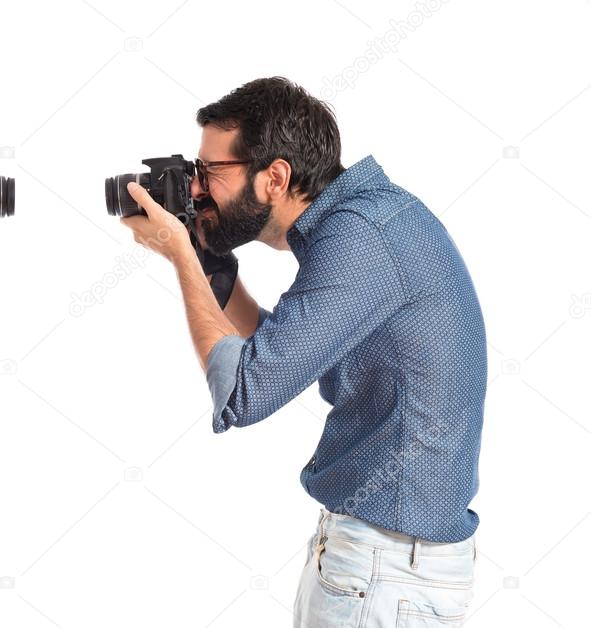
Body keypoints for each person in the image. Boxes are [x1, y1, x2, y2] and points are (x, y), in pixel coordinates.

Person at [119, 76, 485, 626]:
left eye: (209, 173)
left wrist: (180, 256)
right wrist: (210, 263)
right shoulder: (366, 220)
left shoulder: (359, 239)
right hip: (381, 563)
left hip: (383, 572)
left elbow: (244, 390)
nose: (195, 191)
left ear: (275, 177)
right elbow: (283, 353)